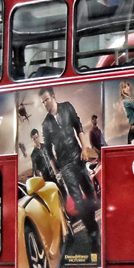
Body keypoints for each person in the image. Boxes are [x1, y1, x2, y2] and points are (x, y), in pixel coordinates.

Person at [39, 87, 100, 251]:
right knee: (78, 200)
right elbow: (48, 151)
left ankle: (92, 225)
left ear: (53, 96)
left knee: (89, 191)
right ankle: (93, 233)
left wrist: (84, 149)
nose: (45, 103)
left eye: (46, 99)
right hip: (64, 165)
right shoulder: (46, 124)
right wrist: (56, 170)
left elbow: (78, 127)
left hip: (78, 156)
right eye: (43, 102)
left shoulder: (67, 107)